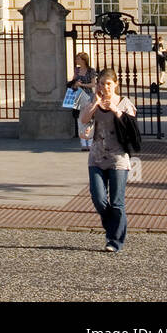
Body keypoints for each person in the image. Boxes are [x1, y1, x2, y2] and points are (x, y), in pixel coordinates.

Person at [79, 67, 137, 254]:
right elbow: (84, 119)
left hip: (118, 158)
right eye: (102, 83)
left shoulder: (124, 103)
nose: (105, 87)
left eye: (109, 84)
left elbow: (131, 129)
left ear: (116, 84)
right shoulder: (92, 100)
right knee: (98, 198)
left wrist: (114, 109)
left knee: (117, 202)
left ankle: (115, 241)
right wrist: (95, 104)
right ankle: (113, 228)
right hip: (96, 157)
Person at [68, 51, 97, 150]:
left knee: (89, 118)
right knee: (79, 118)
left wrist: (82, 85)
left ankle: (90, 140)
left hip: (88, 95)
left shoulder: (91, 71)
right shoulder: (77, 70)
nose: (76, 60)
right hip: (78, 95)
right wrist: (75, 84)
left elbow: (93, 84)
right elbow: (73, 81)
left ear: (84, 60)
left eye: (78, 58)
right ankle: (83, 141)